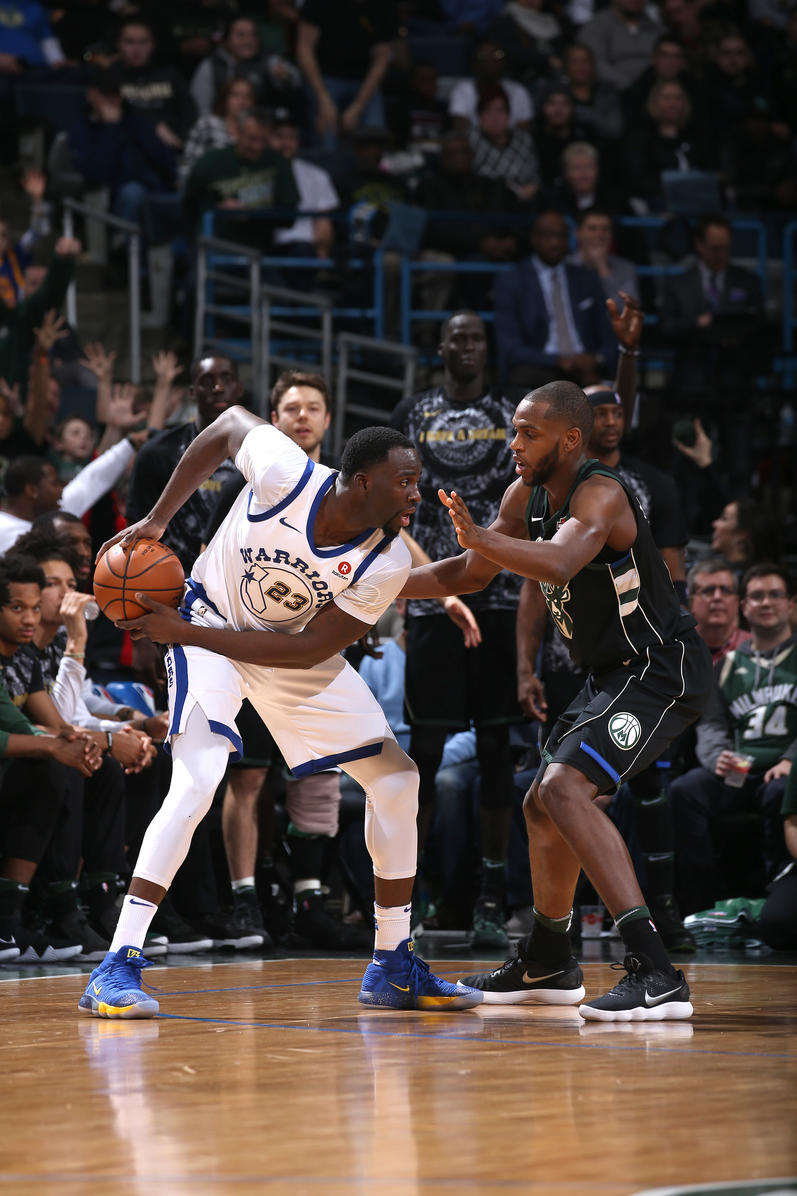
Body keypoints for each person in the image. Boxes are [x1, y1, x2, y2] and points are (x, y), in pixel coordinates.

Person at [78, 416, 484, 1017]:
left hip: (281, 647)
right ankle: (117, 963)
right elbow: (224, 428)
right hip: (209, 622)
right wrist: (158, 521)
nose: (415, 494)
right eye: (405, 482)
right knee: (198, 779)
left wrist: (179, 630)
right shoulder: (285, 472)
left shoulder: (386, 559)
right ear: (363, 482)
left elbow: (309, 651)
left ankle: (393, 961)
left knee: (398, 780)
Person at [401, 380, 713, 1019]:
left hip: (661, 669)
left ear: (570, 438)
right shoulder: (525, 494)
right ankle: (548, 957)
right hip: (609, 675)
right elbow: (469, 573)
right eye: (514, 431)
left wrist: (482, 540)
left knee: (565, 791)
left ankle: (658, 973)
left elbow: (560, 562)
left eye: (528, 433)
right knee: (541, 804)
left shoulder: (602, 493)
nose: (514, 444)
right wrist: (371, 591)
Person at [391, 311, 524, 947]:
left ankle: (492, 898)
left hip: (498, 597)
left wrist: (483, 568)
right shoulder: (412, 415)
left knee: (499, 754)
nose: (467, 345)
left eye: (477, 336)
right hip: (431, 605)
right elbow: (397, 514)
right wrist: (441, 590)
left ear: (485, 347)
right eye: (457, 337)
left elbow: (523, 508)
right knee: (425, 753)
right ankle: (410, 895)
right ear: (441, 347)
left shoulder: (513, 411)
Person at [669, 563, 796, 915]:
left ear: (791, 604)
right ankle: (700, 910)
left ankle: (775, 905)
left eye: (775, 595)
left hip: (786, 771)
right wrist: (719, 759)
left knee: (777, 792)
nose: (766, 603)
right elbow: (711, 725)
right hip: (742, 768)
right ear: (745, 606)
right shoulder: (725, 665)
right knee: (685, 791)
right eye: (756, 596)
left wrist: (790, 761)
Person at [494, 209, 616, 393]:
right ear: (533, 239)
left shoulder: (585, 278)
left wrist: (596, 358)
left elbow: (607, 334)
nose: (555, 243)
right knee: (524, 377)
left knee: (617, 376)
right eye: (548, 236)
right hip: (540, 364)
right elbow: (510, 347)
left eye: (561, 236)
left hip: (586, 364)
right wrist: (557, 360)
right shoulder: (512, 280)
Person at [182, 107, 299, 249]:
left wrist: (248, 214)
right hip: (216, 248)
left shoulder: (278, 162)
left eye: (263, 140)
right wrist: (218, 210)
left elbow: (289, 216)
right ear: (237, 132)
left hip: (259, 251)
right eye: (252, 139)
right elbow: (189, 207)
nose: (257, 147)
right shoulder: (211, 162)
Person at [296, 0, 396, 148]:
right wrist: (323, 99)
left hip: (365, 81)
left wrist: (358, 107)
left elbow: (381, 61)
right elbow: (304, 49)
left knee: (374, 136)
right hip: (324, 79)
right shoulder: (319, 3)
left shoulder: (382, 5)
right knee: (326, 135)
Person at [568, 209, 639, 310]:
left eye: (605, 229)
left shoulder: (626, 268)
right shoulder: (565, 266)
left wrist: (602, 268)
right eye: (592, 229)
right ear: (578, 233)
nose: (599, 235)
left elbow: (629, 311)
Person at [687, 557, 750, 664]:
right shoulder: (677, 650)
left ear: (737, 602)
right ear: (691, 602)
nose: (717, 597)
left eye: (726, 591)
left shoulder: (754, 648)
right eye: (708, 590)